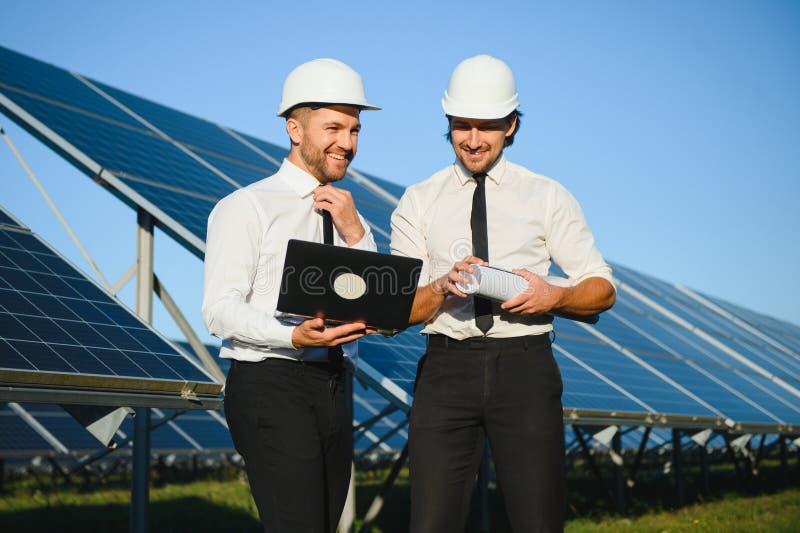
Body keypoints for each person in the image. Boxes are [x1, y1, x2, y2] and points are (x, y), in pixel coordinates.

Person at [390, 55, 616, 532]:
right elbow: (399, 309)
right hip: (445, 372)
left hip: (525, 369)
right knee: (430, 524)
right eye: (461, 126)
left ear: (511, 125)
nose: (473, 139)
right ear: (447, 123)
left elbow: (602, 288)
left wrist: (553, 296)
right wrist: (441, 285)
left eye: (487, 127)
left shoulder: (547, 196)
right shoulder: (418, 200)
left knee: (538, 521)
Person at [202, 58, 379, 533]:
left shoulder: (350, 216)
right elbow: (218, 310)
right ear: (294, 129)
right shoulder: (246, 207)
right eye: (334, 127)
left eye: (355, 129)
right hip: (271, 383)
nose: (347, 142)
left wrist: (357, 232)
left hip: (335, 385)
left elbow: (377, 298)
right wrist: (292, 337)